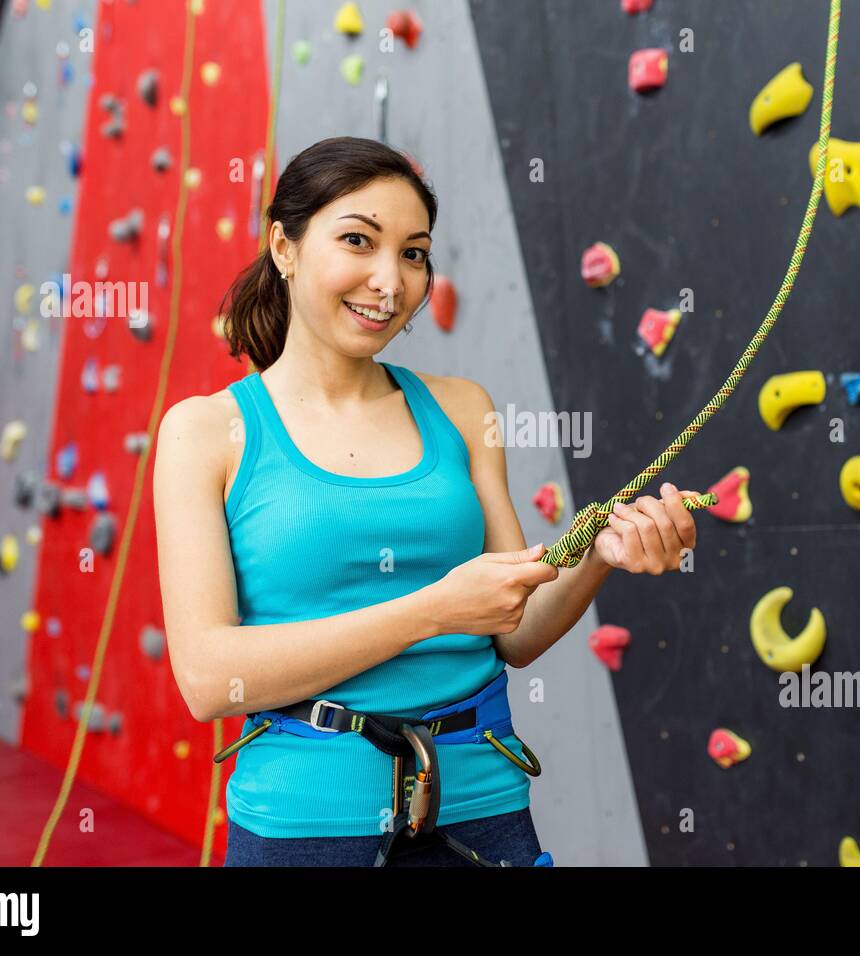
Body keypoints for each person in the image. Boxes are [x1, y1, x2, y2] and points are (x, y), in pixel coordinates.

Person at [153, 136, 702, 866]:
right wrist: (433, 610)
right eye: (358, 241)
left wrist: (597, 551)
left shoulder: (461, 408)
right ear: (283, 246)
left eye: (413, 253)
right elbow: (206, 678)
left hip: (482, 815)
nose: (390, 280)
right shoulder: (206, 431)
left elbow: (515, 630)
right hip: (303, 828)